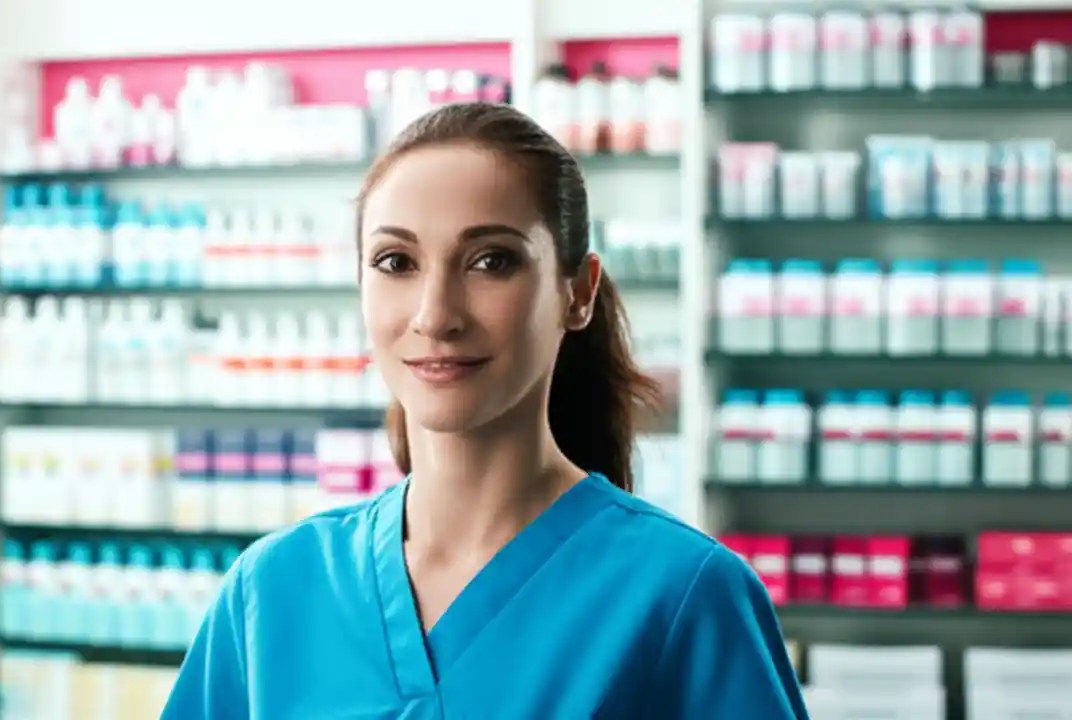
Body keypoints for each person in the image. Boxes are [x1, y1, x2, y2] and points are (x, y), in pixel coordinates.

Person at [163, 102, 808, 719]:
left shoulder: (683, 596)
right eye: (396, 262)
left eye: (490, 261)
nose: (436, 314)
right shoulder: (274, 591)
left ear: (577, 293)